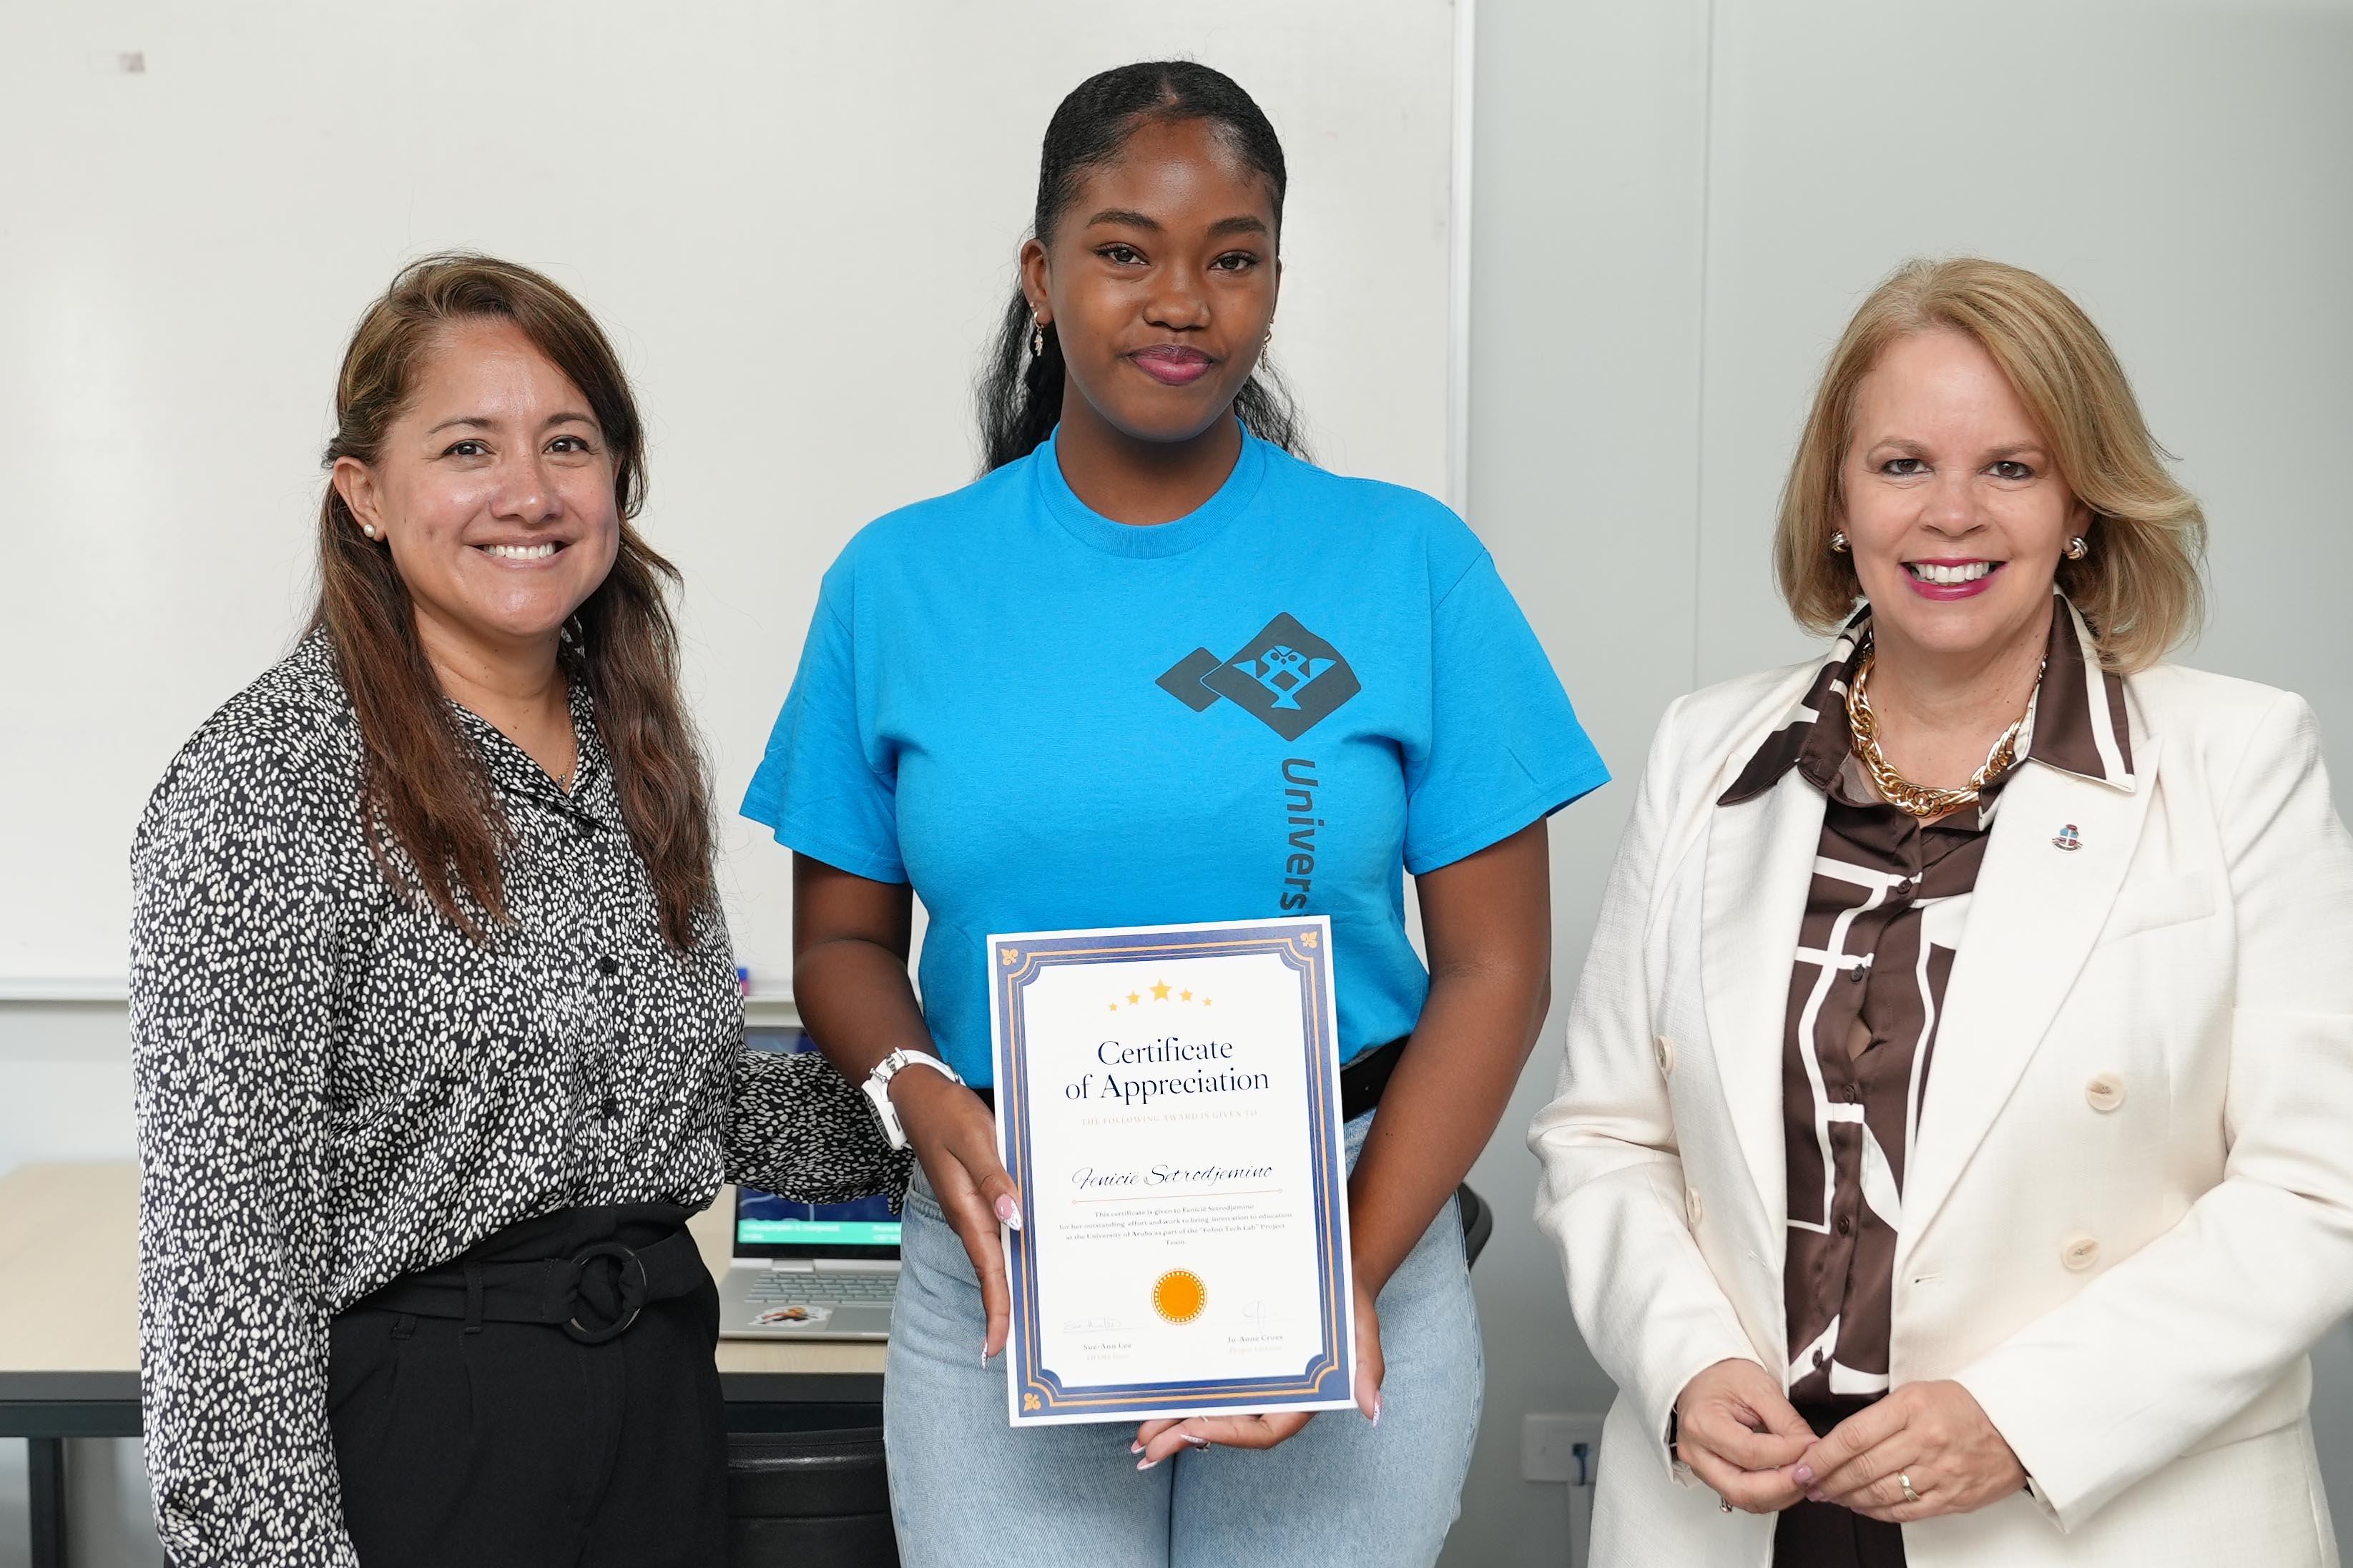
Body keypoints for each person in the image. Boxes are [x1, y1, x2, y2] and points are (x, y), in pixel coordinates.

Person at [744, 60, 1609, 1568]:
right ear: (1040, 276)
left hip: (1353, 1216)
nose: (1182, 300)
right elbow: (837, 939)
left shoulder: (1405, 563)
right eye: (1125, 250)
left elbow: (1493, 967)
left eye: (1234, 256)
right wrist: (912, 1089)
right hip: (1011, 1242)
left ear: (1276, 275)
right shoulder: (900, 581)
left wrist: (1339, 1272)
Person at [1529, 256, 2353, 1567]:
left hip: (2080, 1508)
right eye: (1902, 464)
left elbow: (2319, 1184)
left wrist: (2023, 1419)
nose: (1951, 515)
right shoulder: (1708, 751)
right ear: (1838, 501)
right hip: (1742, 1511)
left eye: (2011, 468)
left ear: (2080, 500)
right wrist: (1683, 1364)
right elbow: (1605, 1138)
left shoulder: (2240, 758)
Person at [129, 255, 903, 1568]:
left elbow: (674, 1100)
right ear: (365, 494)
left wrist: (962, 1110)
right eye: (467, 448)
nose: (530, 494)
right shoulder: (267, 785)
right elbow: (227, 1297)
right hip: (423, 1441)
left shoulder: (630, 745)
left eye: (567, 443)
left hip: (654, 1406)